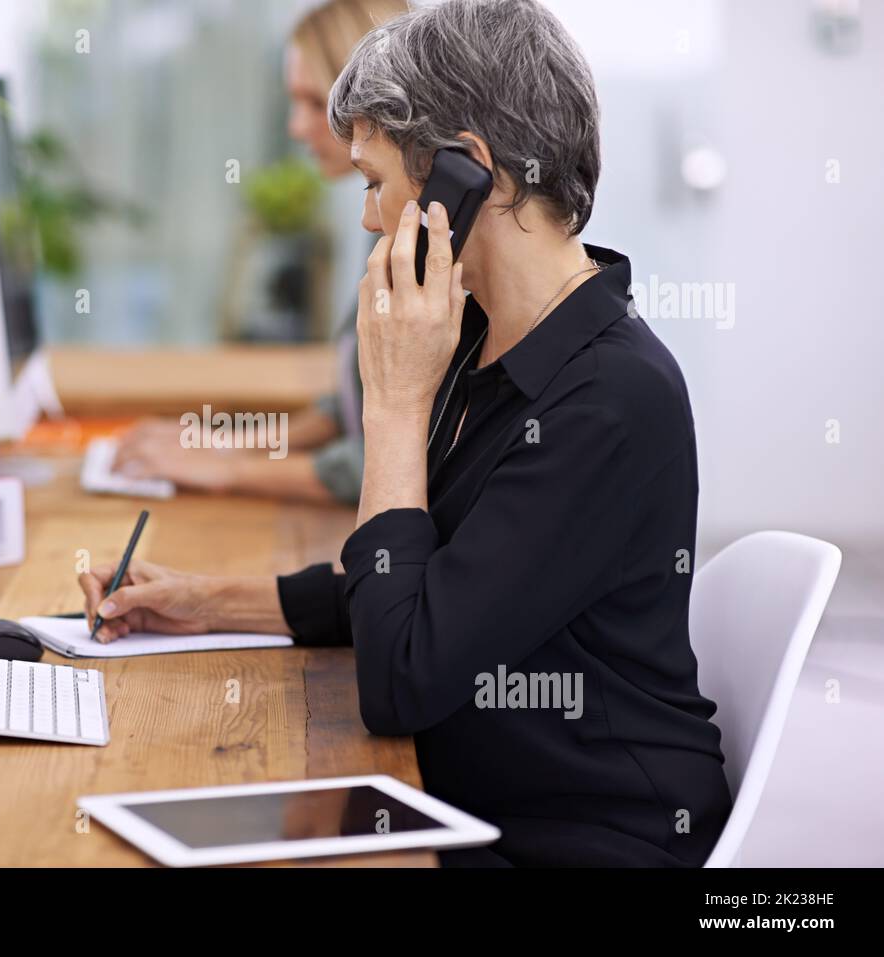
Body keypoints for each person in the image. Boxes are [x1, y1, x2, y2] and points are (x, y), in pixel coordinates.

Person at [79, 0, 733, 867]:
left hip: (581, 837)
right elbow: (416, 582)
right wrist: (205, 602)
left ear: (470, 177)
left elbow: (403, 677)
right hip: (472, 798)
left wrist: (392, 404)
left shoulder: (610, 398)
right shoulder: (482, 339)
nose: (364, 219)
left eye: (375, 183)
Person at [112, 0, 407, 505]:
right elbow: (349, 408)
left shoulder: (418, 237)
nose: (297, 127)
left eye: (316, 103)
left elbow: (381, 458)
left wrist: (226, 468)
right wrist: (219, 443)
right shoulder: (379, 223)